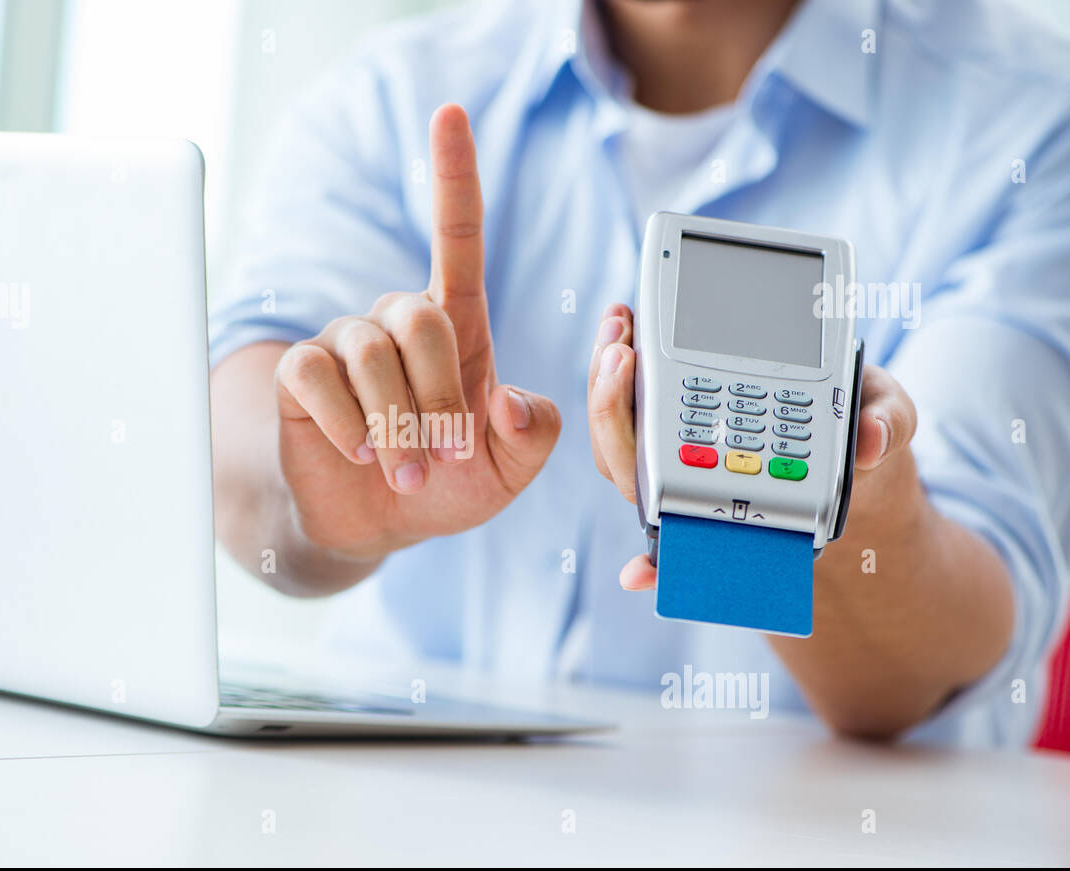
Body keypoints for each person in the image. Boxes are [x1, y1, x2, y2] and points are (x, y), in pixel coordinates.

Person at [209, 0, 1070, 745]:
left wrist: (832, 513)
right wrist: (319, 492)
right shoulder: (391, 95)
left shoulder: (1031, 125)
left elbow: (935, 663)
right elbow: (243, 427)